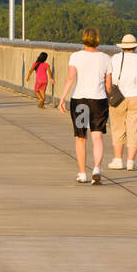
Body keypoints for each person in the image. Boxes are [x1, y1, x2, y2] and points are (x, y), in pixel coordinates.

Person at [59, 27, 113, 183]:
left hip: (80, 100)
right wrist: (107, 100)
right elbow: (108, 85)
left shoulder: (75, 56)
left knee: (81, 137)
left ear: (83, 38)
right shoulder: (105, 58)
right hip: (99, 100)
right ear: (97, 39)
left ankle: (82, 173)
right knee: (97, 137)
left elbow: (70, 78)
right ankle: (96, 168)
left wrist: (62, 98)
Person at [108, 34, 137, 170]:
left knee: (117, 128)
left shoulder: (115, 59)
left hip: (118, 97)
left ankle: (118, 160)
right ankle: (130, 161)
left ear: (122, 46)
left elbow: (108, 77)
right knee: (134, 128)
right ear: (135, 46)